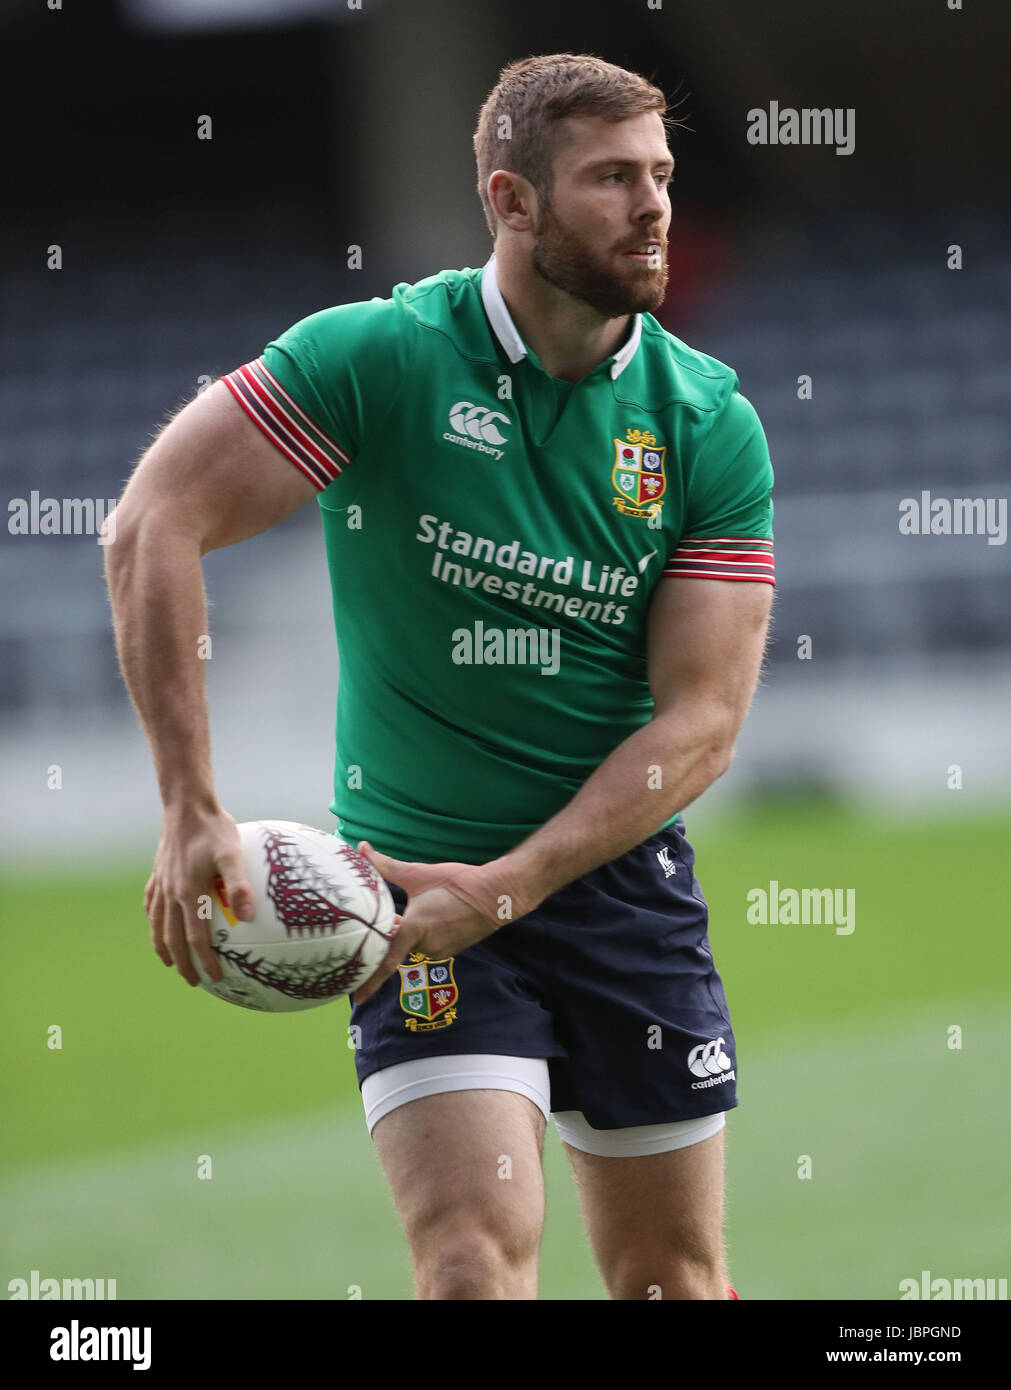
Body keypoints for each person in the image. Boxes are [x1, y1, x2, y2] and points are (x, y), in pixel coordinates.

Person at [105, 52, 775, 1300]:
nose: (655, 207)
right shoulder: (382, 356)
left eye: (663, 175)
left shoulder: (709, 421)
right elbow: (153, 522)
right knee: (469, 1264)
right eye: (613, 178)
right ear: (512, 200)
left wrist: (514, 886)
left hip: (619, 894)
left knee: (671, 1281)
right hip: (413, 899)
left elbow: (704, 720)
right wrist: (191, 801)